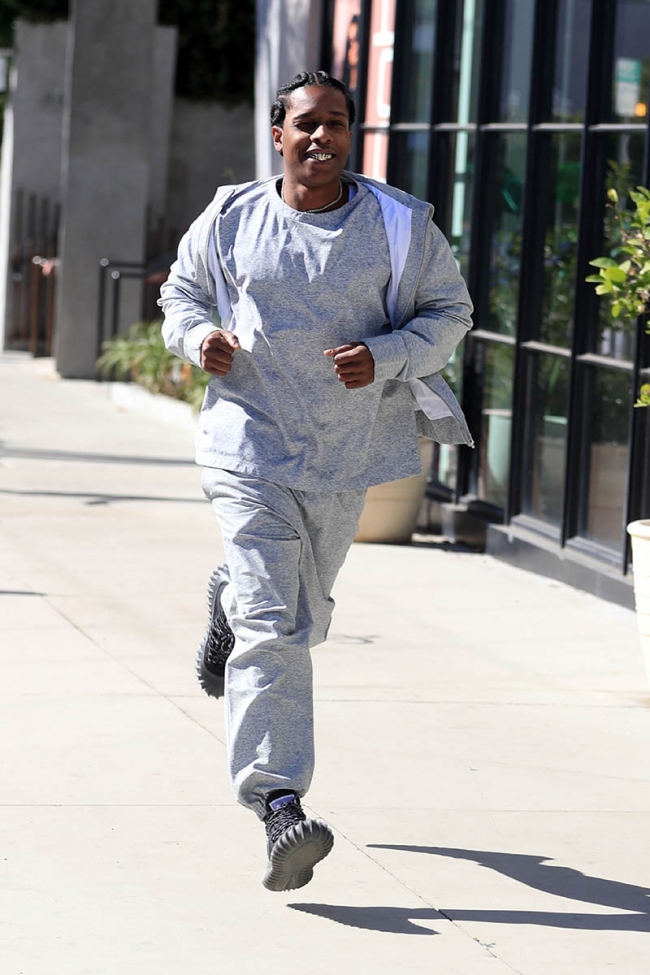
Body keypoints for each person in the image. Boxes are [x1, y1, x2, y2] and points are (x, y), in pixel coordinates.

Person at [159, 70, 473, 892]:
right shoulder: (232, 216)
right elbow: (181, 294)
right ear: (279, 134)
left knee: (306, 619)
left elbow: (450, 312)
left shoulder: (400, 225)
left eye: (337, 123)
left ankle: (229, 598)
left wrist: (390, 355)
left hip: (345, 458)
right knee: (277, 630)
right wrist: (198, 340)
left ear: (351, 135)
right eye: (306, 123)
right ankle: (279, 804)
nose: (321, 137)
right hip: (246, 450)